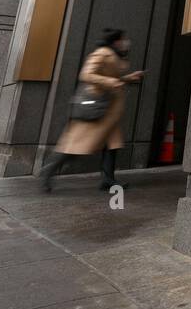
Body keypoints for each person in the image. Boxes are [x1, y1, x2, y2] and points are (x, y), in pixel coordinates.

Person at [41, 29, 144, 192]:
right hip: (97, 110)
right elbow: (86, 75)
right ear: (116, 41)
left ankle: (108, 180)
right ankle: (47, 172)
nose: (127, 42)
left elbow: (114, 79)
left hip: (108, 112)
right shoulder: (102, 53)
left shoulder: (113, 55)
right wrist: (111, 82)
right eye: (124, 39)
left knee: (112, 146)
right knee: (74, 148)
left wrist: (129, 78)